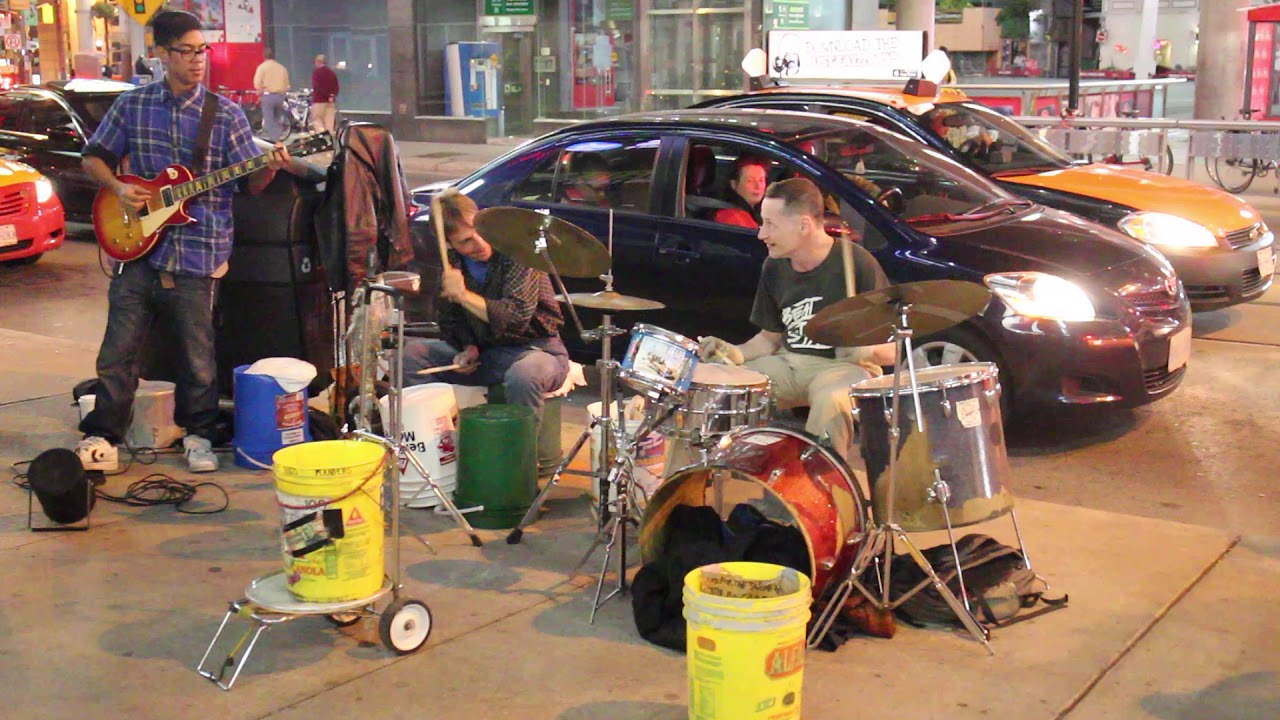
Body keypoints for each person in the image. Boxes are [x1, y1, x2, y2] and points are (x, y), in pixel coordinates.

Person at [75, 10, 292, 474]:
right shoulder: (133, 105)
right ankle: (103, 435)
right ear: (160, 53)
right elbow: (92, 158)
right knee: (118, 351)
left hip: (198, 251)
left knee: (198, 357)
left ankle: (199, 434)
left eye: (202, 50)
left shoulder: (225, 113)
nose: (198, 60)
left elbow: (250, 184)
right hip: (137, 250)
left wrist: (270, 167)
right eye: (186, 51)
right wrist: (118, 188)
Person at [697, 177, 896, 461]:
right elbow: (769, 339)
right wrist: (734, 352)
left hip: (842, 368)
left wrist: (868, 350)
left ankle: (820, 480)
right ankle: (698, 477)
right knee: (718, 386)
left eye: (770, 224)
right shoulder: (774, 266)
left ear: (803, 225)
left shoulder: (857, 263)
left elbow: (896, 349)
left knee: (832, 400)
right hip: (789, 362)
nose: (761, 234)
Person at [402, 189, 570, 426]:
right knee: (412, 356)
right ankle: (433, 439)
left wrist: (463, 295)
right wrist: (468, 347)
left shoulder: (518, 251)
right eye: (465, 241)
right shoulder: (452, 263)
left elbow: (515, 317)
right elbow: (451, 320)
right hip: (488, 355)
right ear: (449, 244)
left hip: (538, 351)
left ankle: (521, 448)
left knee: (524, 374)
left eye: (480, 232)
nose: (479, 244)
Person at [712, 156, 768, 228]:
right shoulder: (732, 217)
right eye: (750, 181)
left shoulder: (756, 211)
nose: (758, 186)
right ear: (734, 184)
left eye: (761, 180)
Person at [253, 47, 290, 140]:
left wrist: (259, 92)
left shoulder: (262, 67)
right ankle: (278, 135)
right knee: (277, 118)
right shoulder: (281, 68)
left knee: (269, 120)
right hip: (280, 96)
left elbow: (257, 83)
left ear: (264, 56)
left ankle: (274, 139)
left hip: (268, 96)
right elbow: (287, 84)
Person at [310, 54, 340, 134]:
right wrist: (332, 96)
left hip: (319, 100)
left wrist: (326, 95)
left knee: (317, 119)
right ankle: (329, 137)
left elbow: (317, 86)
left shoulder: (316, 72)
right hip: (331, 101)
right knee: (329, 122)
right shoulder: (331, 72)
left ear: (318, 62)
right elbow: (336, 86)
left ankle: (322, 136)